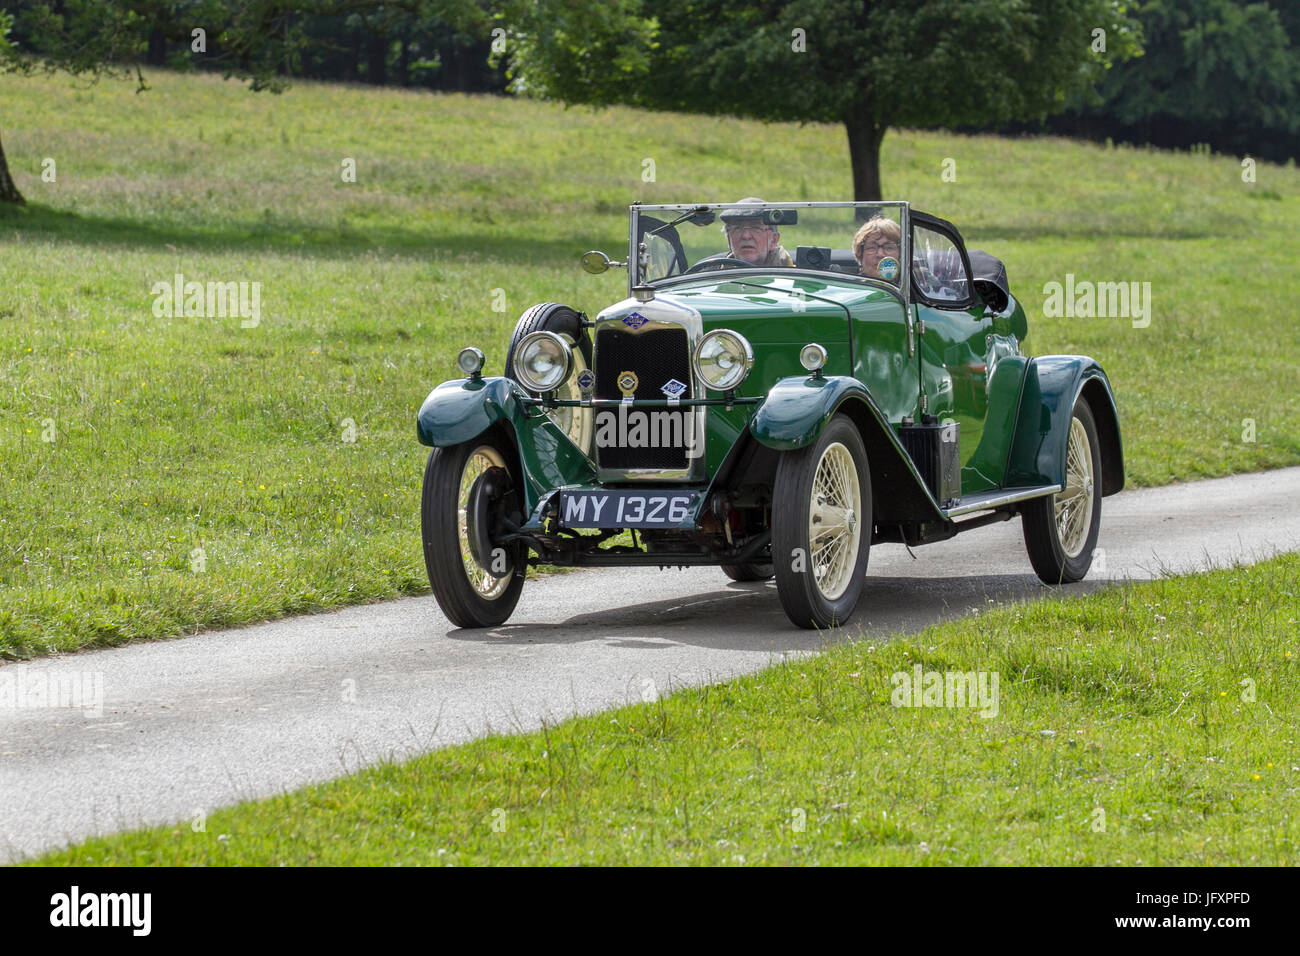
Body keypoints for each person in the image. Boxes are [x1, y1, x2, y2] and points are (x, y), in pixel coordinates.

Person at [718, 197, 794, 267]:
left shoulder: (794, 275)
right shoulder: (713, 275)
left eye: (756, 228)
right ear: (729, 239)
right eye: (737, 228)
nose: (746, 236)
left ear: (773, 240)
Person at [852, 216, 902, 282]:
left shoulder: (912, 287)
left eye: (889, 248)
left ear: (901, 254)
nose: (880, 254)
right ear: (860, 254)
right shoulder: (852, 289)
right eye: (872, 248)